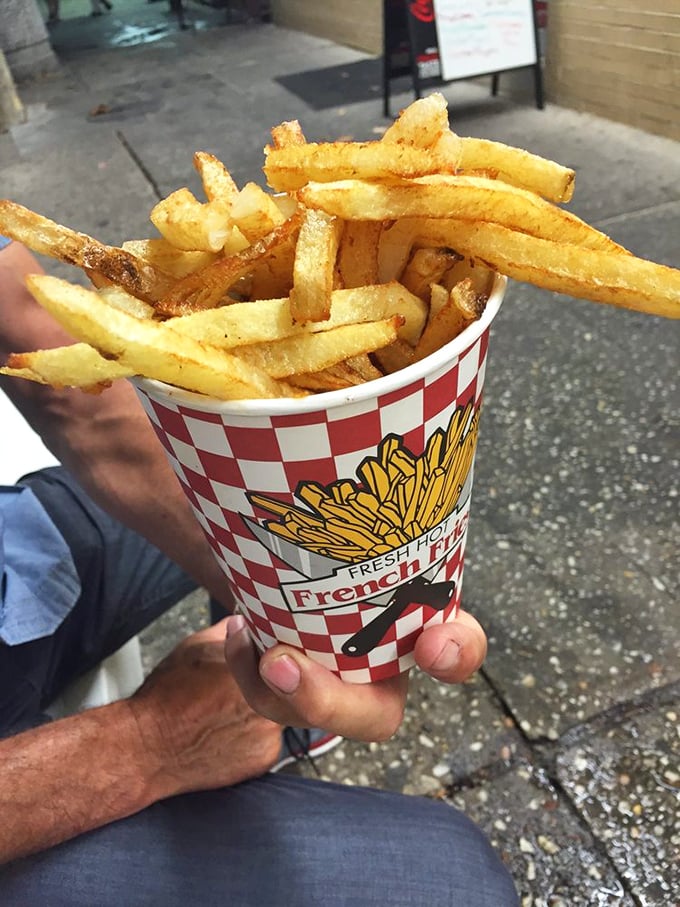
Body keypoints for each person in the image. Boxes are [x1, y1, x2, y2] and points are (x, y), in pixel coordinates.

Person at [0, 236, 518, 904]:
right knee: (455, 882)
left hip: (21, 555)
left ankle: (290, 690)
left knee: (243, 500)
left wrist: (330, 594)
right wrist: (146, 744)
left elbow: (67, 384)